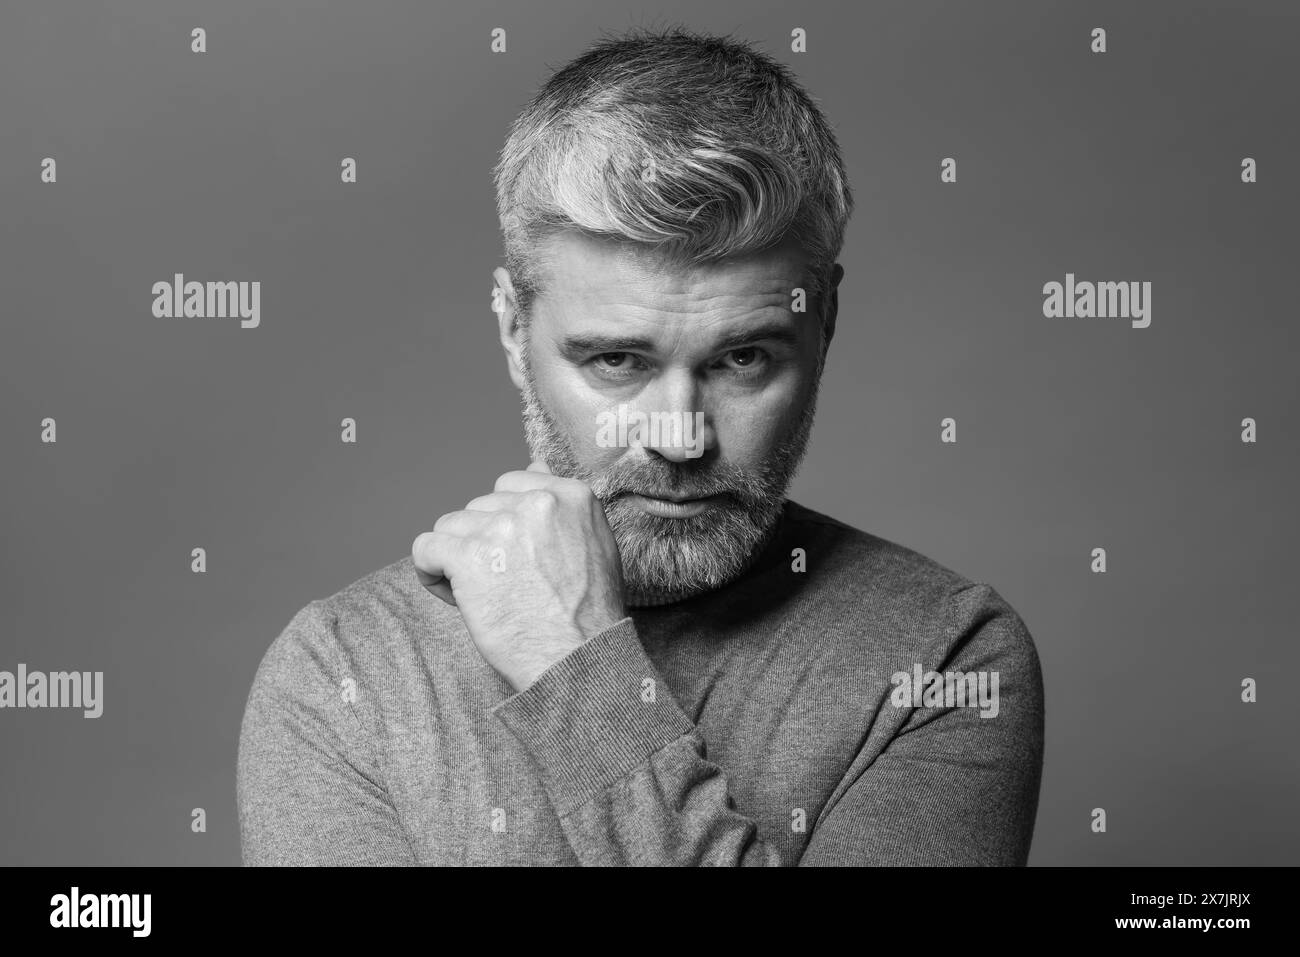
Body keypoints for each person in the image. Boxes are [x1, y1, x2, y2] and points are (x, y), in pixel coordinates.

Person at [237, 27, 1044, 866]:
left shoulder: (945, 655)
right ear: (515, 328)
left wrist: (575, 665)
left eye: (742, 358)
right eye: (617, 361)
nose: (679, 437)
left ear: (825, 321)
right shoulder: (346, 673)